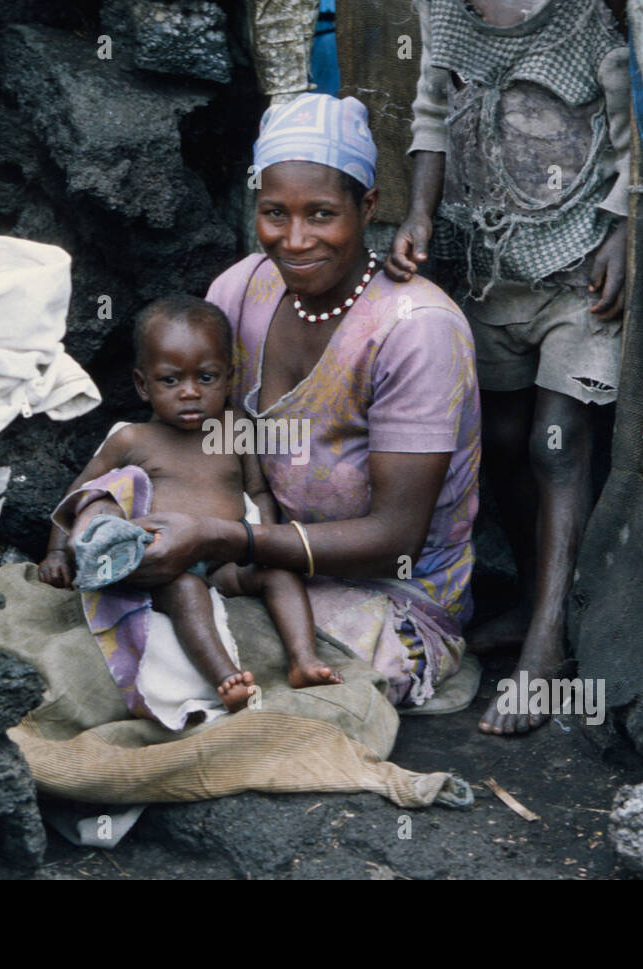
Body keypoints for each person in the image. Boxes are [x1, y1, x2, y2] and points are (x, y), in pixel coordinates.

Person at [127, 94, 481, 711]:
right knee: (151, 629)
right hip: (255, 560)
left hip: (388, 595)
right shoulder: (240, 290)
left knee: (229, 674)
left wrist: (223, 537)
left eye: (321, 214)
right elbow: (223, 438)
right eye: (274, 213)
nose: (294, 240)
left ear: (367, 207)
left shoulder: (415, 328)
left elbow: (396, 539)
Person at [386, 0, 630, 734]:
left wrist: (622, 227)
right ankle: (533, 599)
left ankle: (548, 649)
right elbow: (432, 114)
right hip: (492, 268)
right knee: (500, 433)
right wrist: (420, 213)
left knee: (556, 440)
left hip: (581, 269)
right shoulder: (444, 13)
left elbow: (633, 135)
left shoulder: (585, 17)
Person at [38, 296, 342, 712]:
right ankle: (225, 679)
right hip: (163, 566)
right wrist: (56, 551)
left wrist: (265, 542)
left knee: (280, 574)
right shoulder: (132, 440)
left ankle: (304, 659)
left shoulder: (234, 427)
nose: (190, 393)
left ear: (229, 379)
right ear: (143, 385)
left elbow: (258, 493)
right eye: (170, 381)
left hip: (225, 561)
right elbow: (78, 497)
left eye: (206, 377)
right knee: (185, 591)